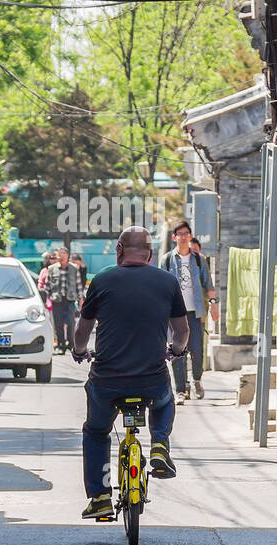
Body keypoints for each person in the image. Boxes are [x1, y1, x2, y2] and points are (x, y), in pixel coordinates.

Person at [71, 226, 189, 521]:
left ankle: (99, 497)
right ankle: (159, 443)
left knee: (96, 431)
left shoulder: (102, 280)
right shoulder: (167, 281)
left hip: (107, 382)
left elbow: (83, 329)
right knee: (164, 402)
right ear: (150, 254)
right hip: (152, 379)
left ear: (119, 251)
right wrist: (175, 351)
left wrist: (79, 351)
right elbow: (182, 330)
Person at [160, 221, 218, 400]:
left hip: (196, 312)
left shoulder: (199, 259)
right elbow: (161, 287)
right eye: (180, 234)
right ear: (174, 237)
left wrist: (214, 304)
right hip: (175, 314)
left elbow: (208, 284)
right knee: (177, 351)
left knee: (197, 350)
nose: (183, 237)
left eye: (186, 234)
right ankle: (180, 390)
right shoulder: (167, 260)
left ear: (190, 236)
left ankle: (197, 380)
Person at [46, 245, 83, 354]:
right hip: (56, 299)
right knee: (58, 323)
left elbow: (79, 285)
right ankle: (61, 344)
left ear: (67, 255)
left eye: (63, 254)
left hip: (70, 299)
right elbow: (48, 286)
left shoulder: (74, 268)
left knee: (71, 322)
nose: (61, 256)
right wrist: (47, 297)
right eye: (59, 254)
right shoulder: (52, 269)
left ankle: (71, 344)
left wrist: (81, 298)